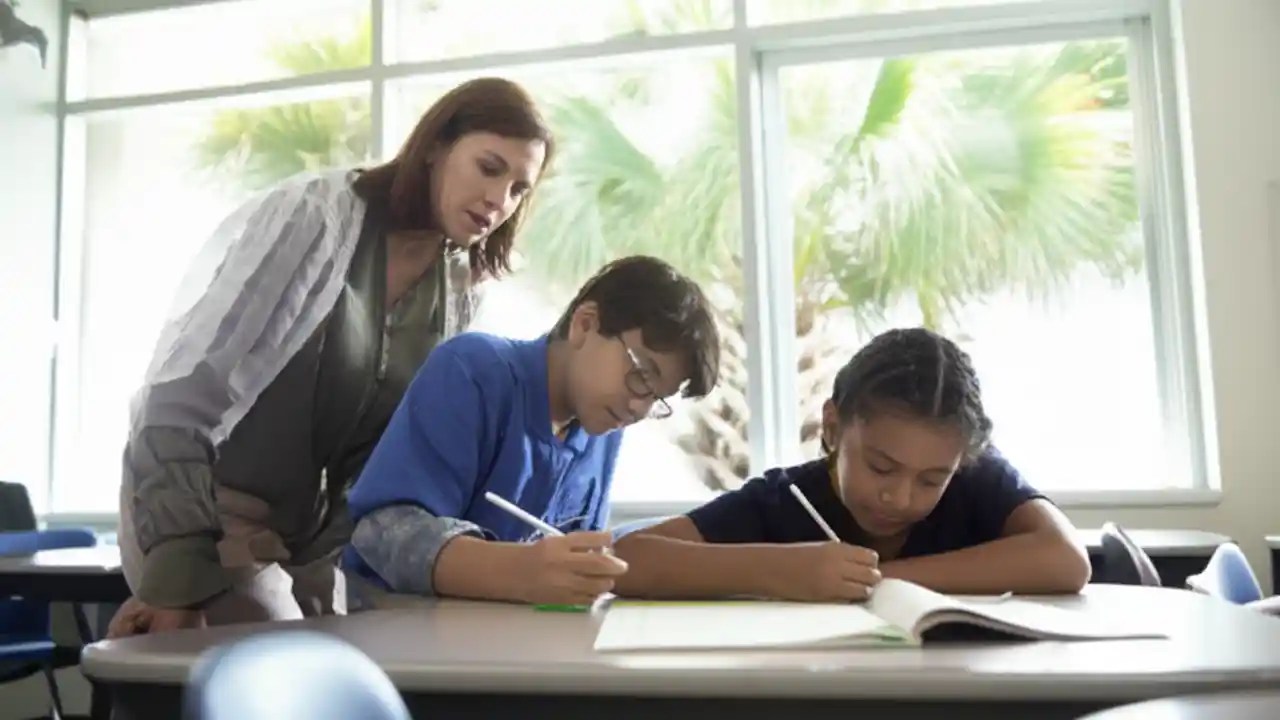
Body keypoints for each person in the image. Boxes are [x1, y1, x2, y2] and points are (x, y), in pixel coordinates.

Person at [108, 77, 555, 637]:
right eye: (489, 168)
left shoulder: (459, 286)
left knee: (388, 659)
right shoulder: (315, 219)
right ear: (437, 146)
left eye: (519, 188)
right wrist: (178, 577)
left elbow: (391, 451)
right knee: (281, 661)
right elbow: (176, 400)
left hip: (314, 544)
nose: (499, 200)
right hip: (211, 513)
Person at [343, 256, 720, 607]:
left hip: (514, 653)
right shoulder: (474, 372)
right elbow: (381, 531)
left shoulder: (602, 428)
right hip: (403, 648)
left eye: (657, 398)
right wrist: (519, 571)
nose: (639, 408)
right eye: (641, 375)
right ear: (584, 324)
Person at [612, 327, 1091, 600]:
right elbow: (629, 559)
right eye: (881, 467)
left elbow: (1067, 561)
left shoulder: (974, 473)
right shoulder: (784, 501)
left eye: (931, 480)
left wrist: (879, 578)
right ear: (834, 426)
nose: (900, 497)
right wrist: (782, 571)